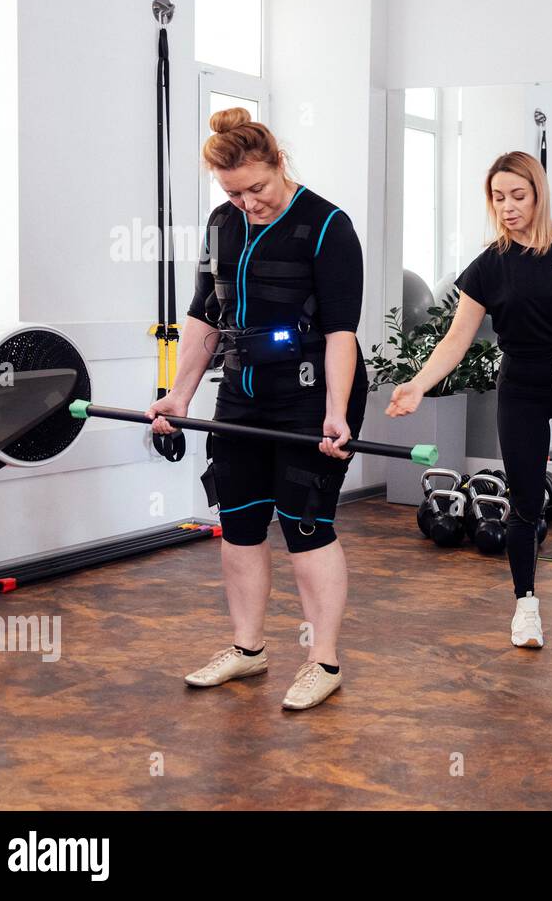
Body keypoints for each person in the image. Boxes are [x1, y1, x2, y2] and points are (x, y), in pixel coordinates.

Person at [148, 107, 366, 711]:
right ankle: (248, 651)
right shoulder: (222, 224)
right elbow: (202, 316)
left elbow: (342, 332)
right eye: (234, 193)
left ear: (279, 164)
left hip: (312, 392)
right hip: (243, 391)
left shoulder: (328, 226)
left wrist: (337, 411)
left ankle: (323, 661)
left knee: (304, 525)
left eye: (257, 188)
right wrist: (179, 393)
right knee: (240, 523)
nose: (249, 203)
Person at [385, 151, 552, 648]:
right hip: (522, 383)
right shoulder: (489, 265)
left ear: (538, 195)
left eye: (518, 196)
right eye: (498, 198)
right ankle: (526, 605)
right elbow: (455, 339)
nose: (507, 207)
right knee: (526, 501)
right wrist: (419, 384)